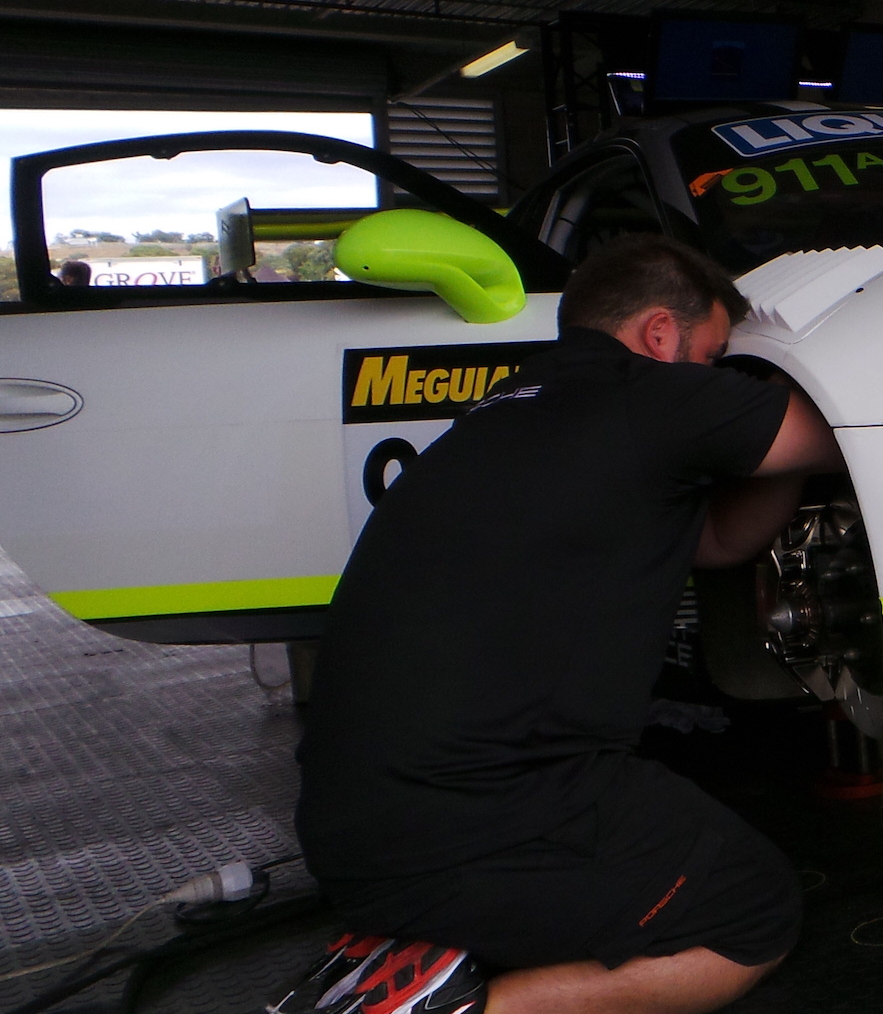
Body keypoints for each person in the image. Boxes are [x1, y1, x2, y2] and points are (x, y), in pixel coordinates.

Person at [280, 235, 842, 1014]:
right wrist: (789, 368)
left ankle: (416, 951)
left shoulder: (504, 409)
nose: (719, 378)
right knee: (751, 911)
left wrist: (778, 461)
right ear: (657, 335)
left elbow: (717, 542)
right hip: (487, 819)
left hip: (357, 826)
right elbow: (856, 422)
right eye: (714, 356)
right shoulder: (651, 396)